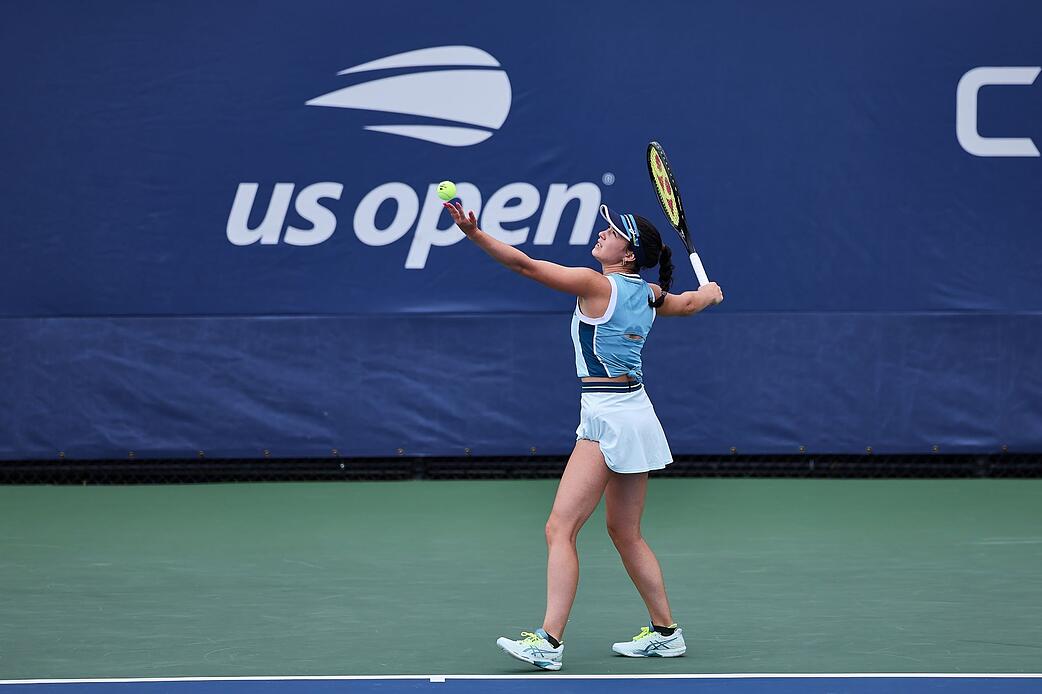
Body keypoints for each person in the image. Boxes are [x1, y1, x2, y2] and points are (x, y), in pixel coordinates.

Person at [444, 200, 723, 670]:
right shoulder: (650, 294)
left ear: (628, 253)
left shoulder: (597, 285)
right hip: (635, 412)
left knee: (560, 528)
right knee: (625, 532)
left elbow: (525, 265)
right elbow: (691, 304)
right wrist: (711, 294)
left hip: (608, 416)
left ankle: (549, 642)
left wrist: (474, 234)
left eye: (611, 231)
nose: (602, 232)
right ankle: (666, 633)